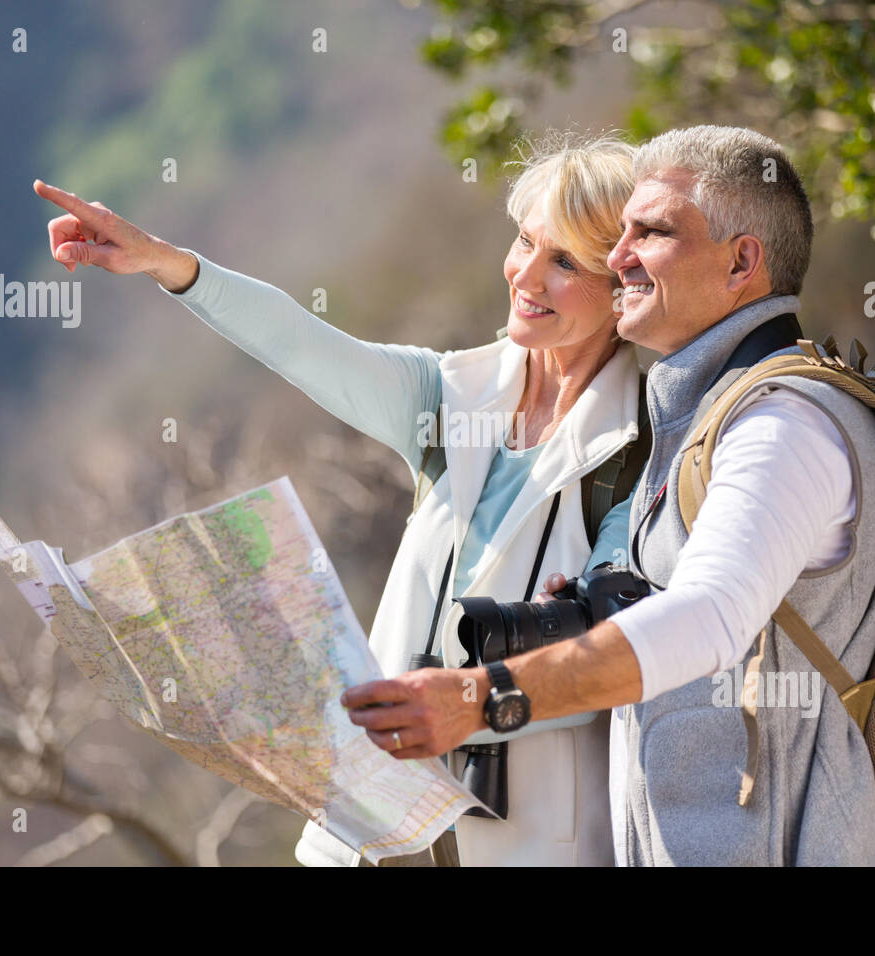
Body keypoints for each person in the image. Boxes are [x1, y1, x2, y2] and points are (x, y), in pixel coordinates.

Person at [32, 132, 645, 866]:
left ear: (623, 288)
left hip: (530, 843)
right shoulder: (453, 395)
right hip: (369, 834)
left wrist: (469, 702)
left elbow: (623, 652)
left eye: (565, 263)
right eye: (524, 241)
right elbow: (302, 344)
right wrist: (167, 264)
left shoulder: (641, 443)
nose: (526, 276)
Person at [342, 125, 875, 866]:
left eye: (650, 232)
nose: (618, 260)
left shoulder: (783, 425)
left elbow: (707, 618)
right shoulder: (699, 420)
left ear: (743, 260)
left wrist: (478, 698)